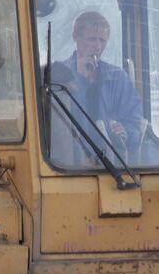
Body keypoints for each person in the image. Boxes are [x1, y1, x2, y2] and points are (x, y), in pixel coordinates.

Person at [55, 10, 144, 165]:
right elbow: (56, 122)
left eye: (102, 41)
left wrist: (125, 131)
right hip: (68, 163)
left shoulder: (118, 77)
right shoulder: (58, 75)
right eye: (92, 39)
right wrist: (79, 78)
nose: (97, 47)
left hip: (112, 162)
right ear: (75, 37)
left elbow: (135, 121)